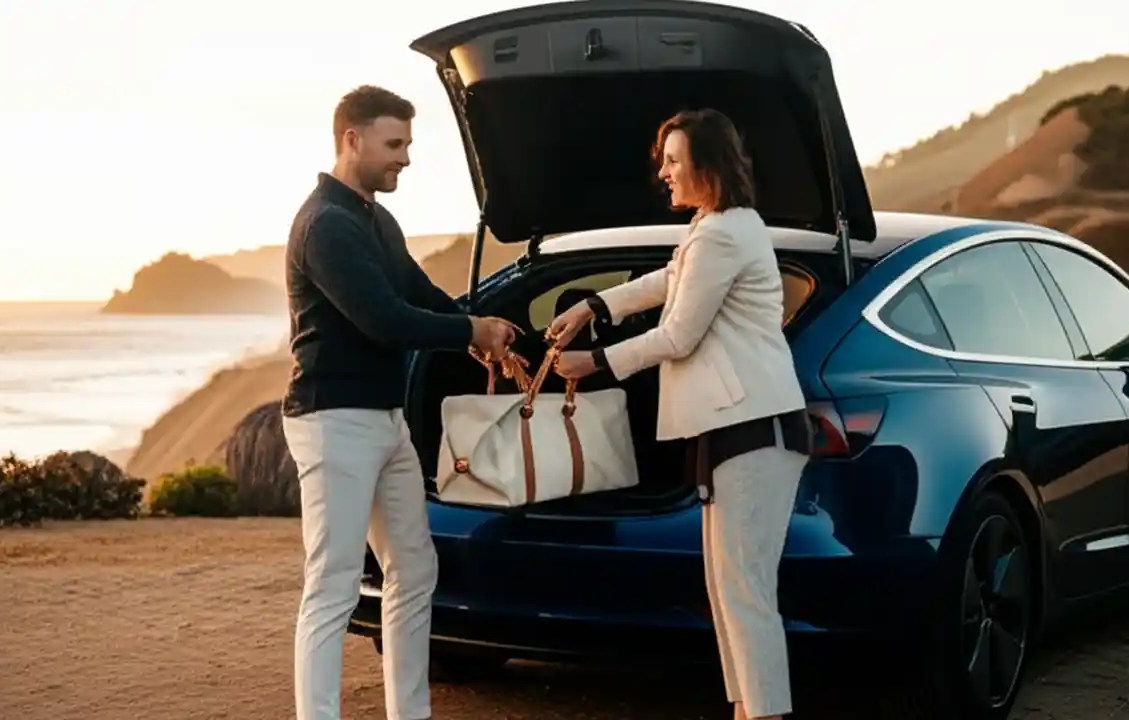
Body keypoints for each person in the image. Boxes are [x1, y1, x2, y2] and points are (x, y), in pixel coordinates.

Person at [547, 108, 811, 720]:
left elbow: (679, 335)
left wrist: (596, 362)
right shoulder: (718, 225)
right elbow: (670, 279)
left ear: (707, 166)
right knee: (728, 591)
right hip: (734, 428)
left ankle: (764, 715)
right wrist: (593, 305)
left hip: (754, 427)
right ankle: (749, 712)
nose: (663, 173)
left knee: (744, 592)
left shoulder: (722, 233)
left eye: (672, 161)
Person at [280, 84, 517, 720]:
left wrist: (484, 332)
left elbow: (422, 294)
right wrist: (469, 332)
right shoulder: (325, 225)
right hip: (332, 421)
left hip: (386, 420)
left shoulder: (377, 220)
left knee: (413, 568)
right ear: (351, 139)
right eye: (394, 144)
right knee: (331, 584)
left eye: (408, 144)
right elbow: (384, 320)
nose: (405, 158)